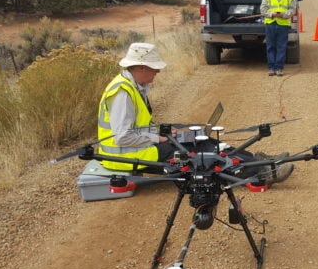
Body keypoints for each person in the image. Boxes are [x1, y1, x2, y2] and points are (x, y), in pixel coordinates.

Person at [97, 42, 293, 183]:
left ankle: (255, 160)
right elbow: (122, 137)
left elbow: (137, 126)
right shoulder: (122, 93)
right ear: (140, 67)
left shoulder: (133, 85)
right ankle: (262, 172)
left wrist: (164, 131)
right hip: (128, 155)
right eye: (154, 69)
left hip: (138, 145)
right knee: (197, 152)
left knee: (196, 135)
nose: (157, 72)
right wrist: (160, 139)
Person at [260, 0, 297, 76]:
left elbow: (293, 10)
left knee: (281, 47)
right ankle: (271, 68)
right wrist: (271, 14)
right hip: (270, 24)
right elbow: (263, 9)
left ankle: (279, 68)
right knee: (271, 47)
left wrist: (284, 15)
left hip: (283, 25)